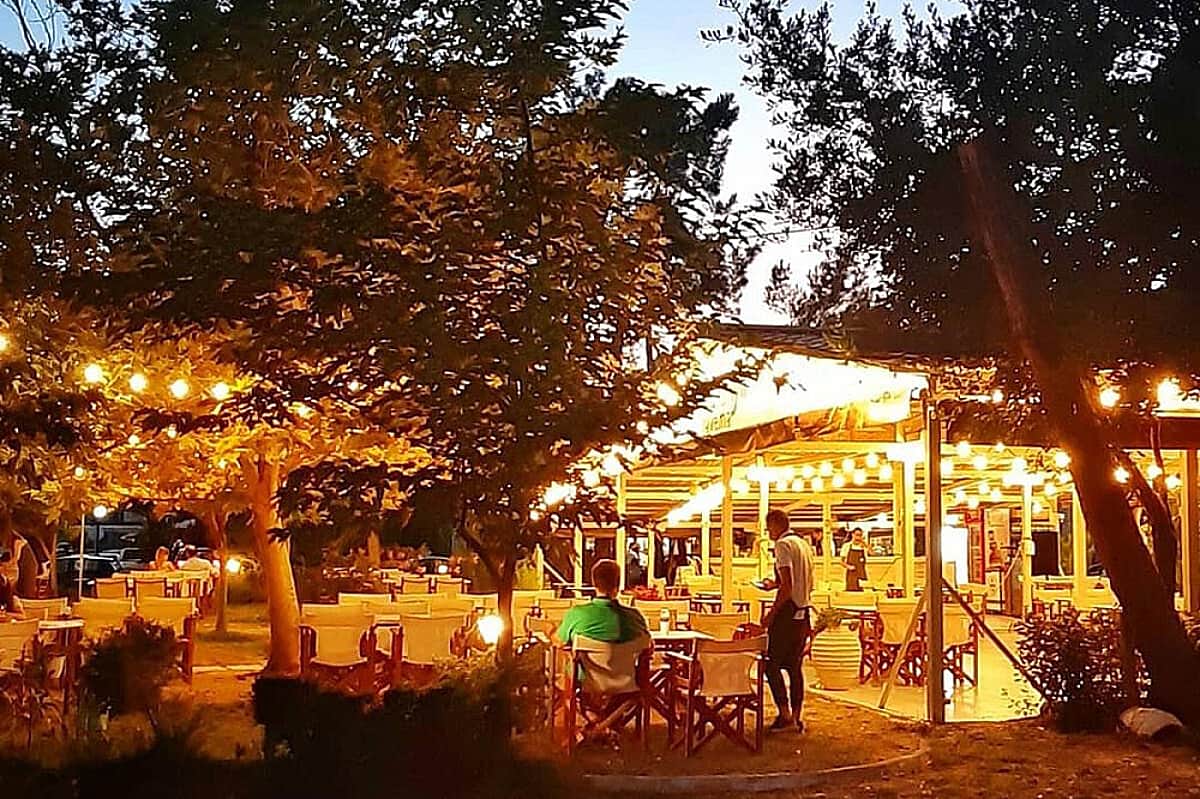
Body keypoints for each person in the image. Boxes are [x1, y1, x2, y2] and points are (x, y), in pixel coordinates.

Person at [760, 509, 815, 732]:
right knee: (794, 666)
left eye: (769, 528)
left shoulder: (782, 545)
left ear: (775, 525)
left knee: (771, 664)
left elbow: (788, 586)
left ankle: (784, 713)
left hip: (788, 613)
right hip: (803, 611)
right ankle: (797, 715)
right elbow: (801, 580)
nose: (768, 533)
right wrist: (774, 583)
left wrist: (770, 615)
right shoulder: (804, 545)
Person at [555, 559, 648, 646]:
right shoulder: (636, 618)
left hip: (587, 659)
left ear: (594, 583)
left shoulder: (577, 614)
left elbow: (559, 642)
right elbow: (647, 645)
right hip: (627, 659)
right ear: (618, 584)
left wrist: (551, 631)